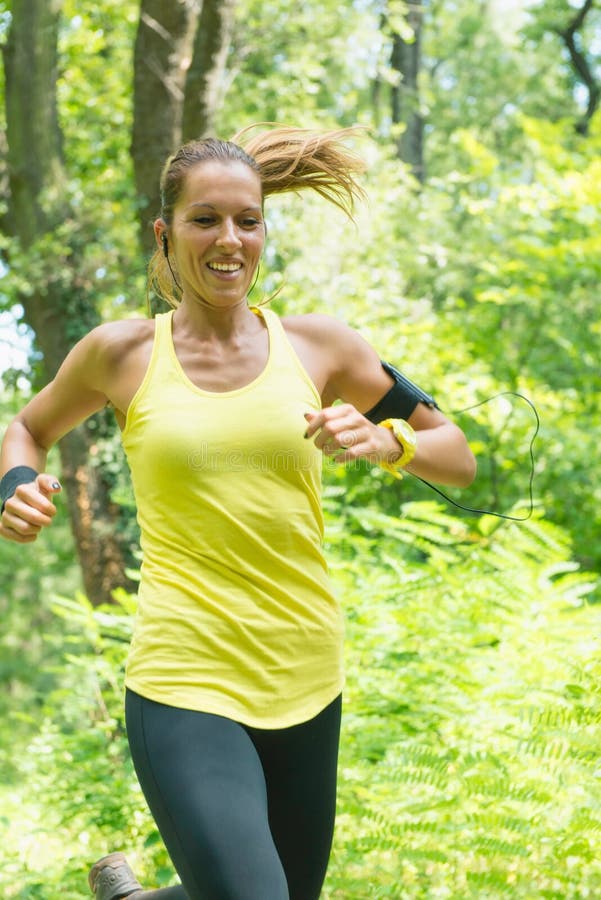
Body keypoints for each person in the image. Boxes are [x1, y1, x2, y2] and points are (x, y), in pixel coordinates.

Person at [0, 125, 476, 900]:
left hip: (306, 671)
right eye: (204, 219)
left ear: (263, 231)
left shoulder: (322, 348)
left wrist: (388, 442)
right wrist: (14, 485)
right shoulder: (121, 354)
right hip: (184, 674)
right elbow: (28, 426)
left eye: (247, 221)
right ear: (165, 232)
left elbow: (456, 452)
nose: (229, 240)